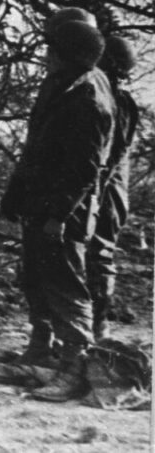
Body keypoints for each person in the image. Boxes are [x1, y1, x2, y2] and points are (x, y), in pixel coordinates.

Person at [0, 18, 115, 401]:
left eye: (52, 49)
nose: (45, 56)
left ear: (69, 55)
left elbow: (85, 168)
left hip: (66, 210)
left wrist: (59, 216)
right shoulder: (62, 86)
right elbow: (35, 147)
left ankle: (75, 366)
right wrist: (14, 200)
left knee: (65, 284)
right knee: (36, 275)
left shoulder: (89, 98)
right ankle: (41, 350)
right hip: (41, 202)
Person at [89, 34, 141, 342]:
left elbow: (111, 154)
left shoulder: (118, 101)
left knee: (99, 255)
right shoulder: (102, 93)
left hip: (106, 193)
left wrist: (92, 195)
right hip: (101, 190)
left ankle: (98, 326)